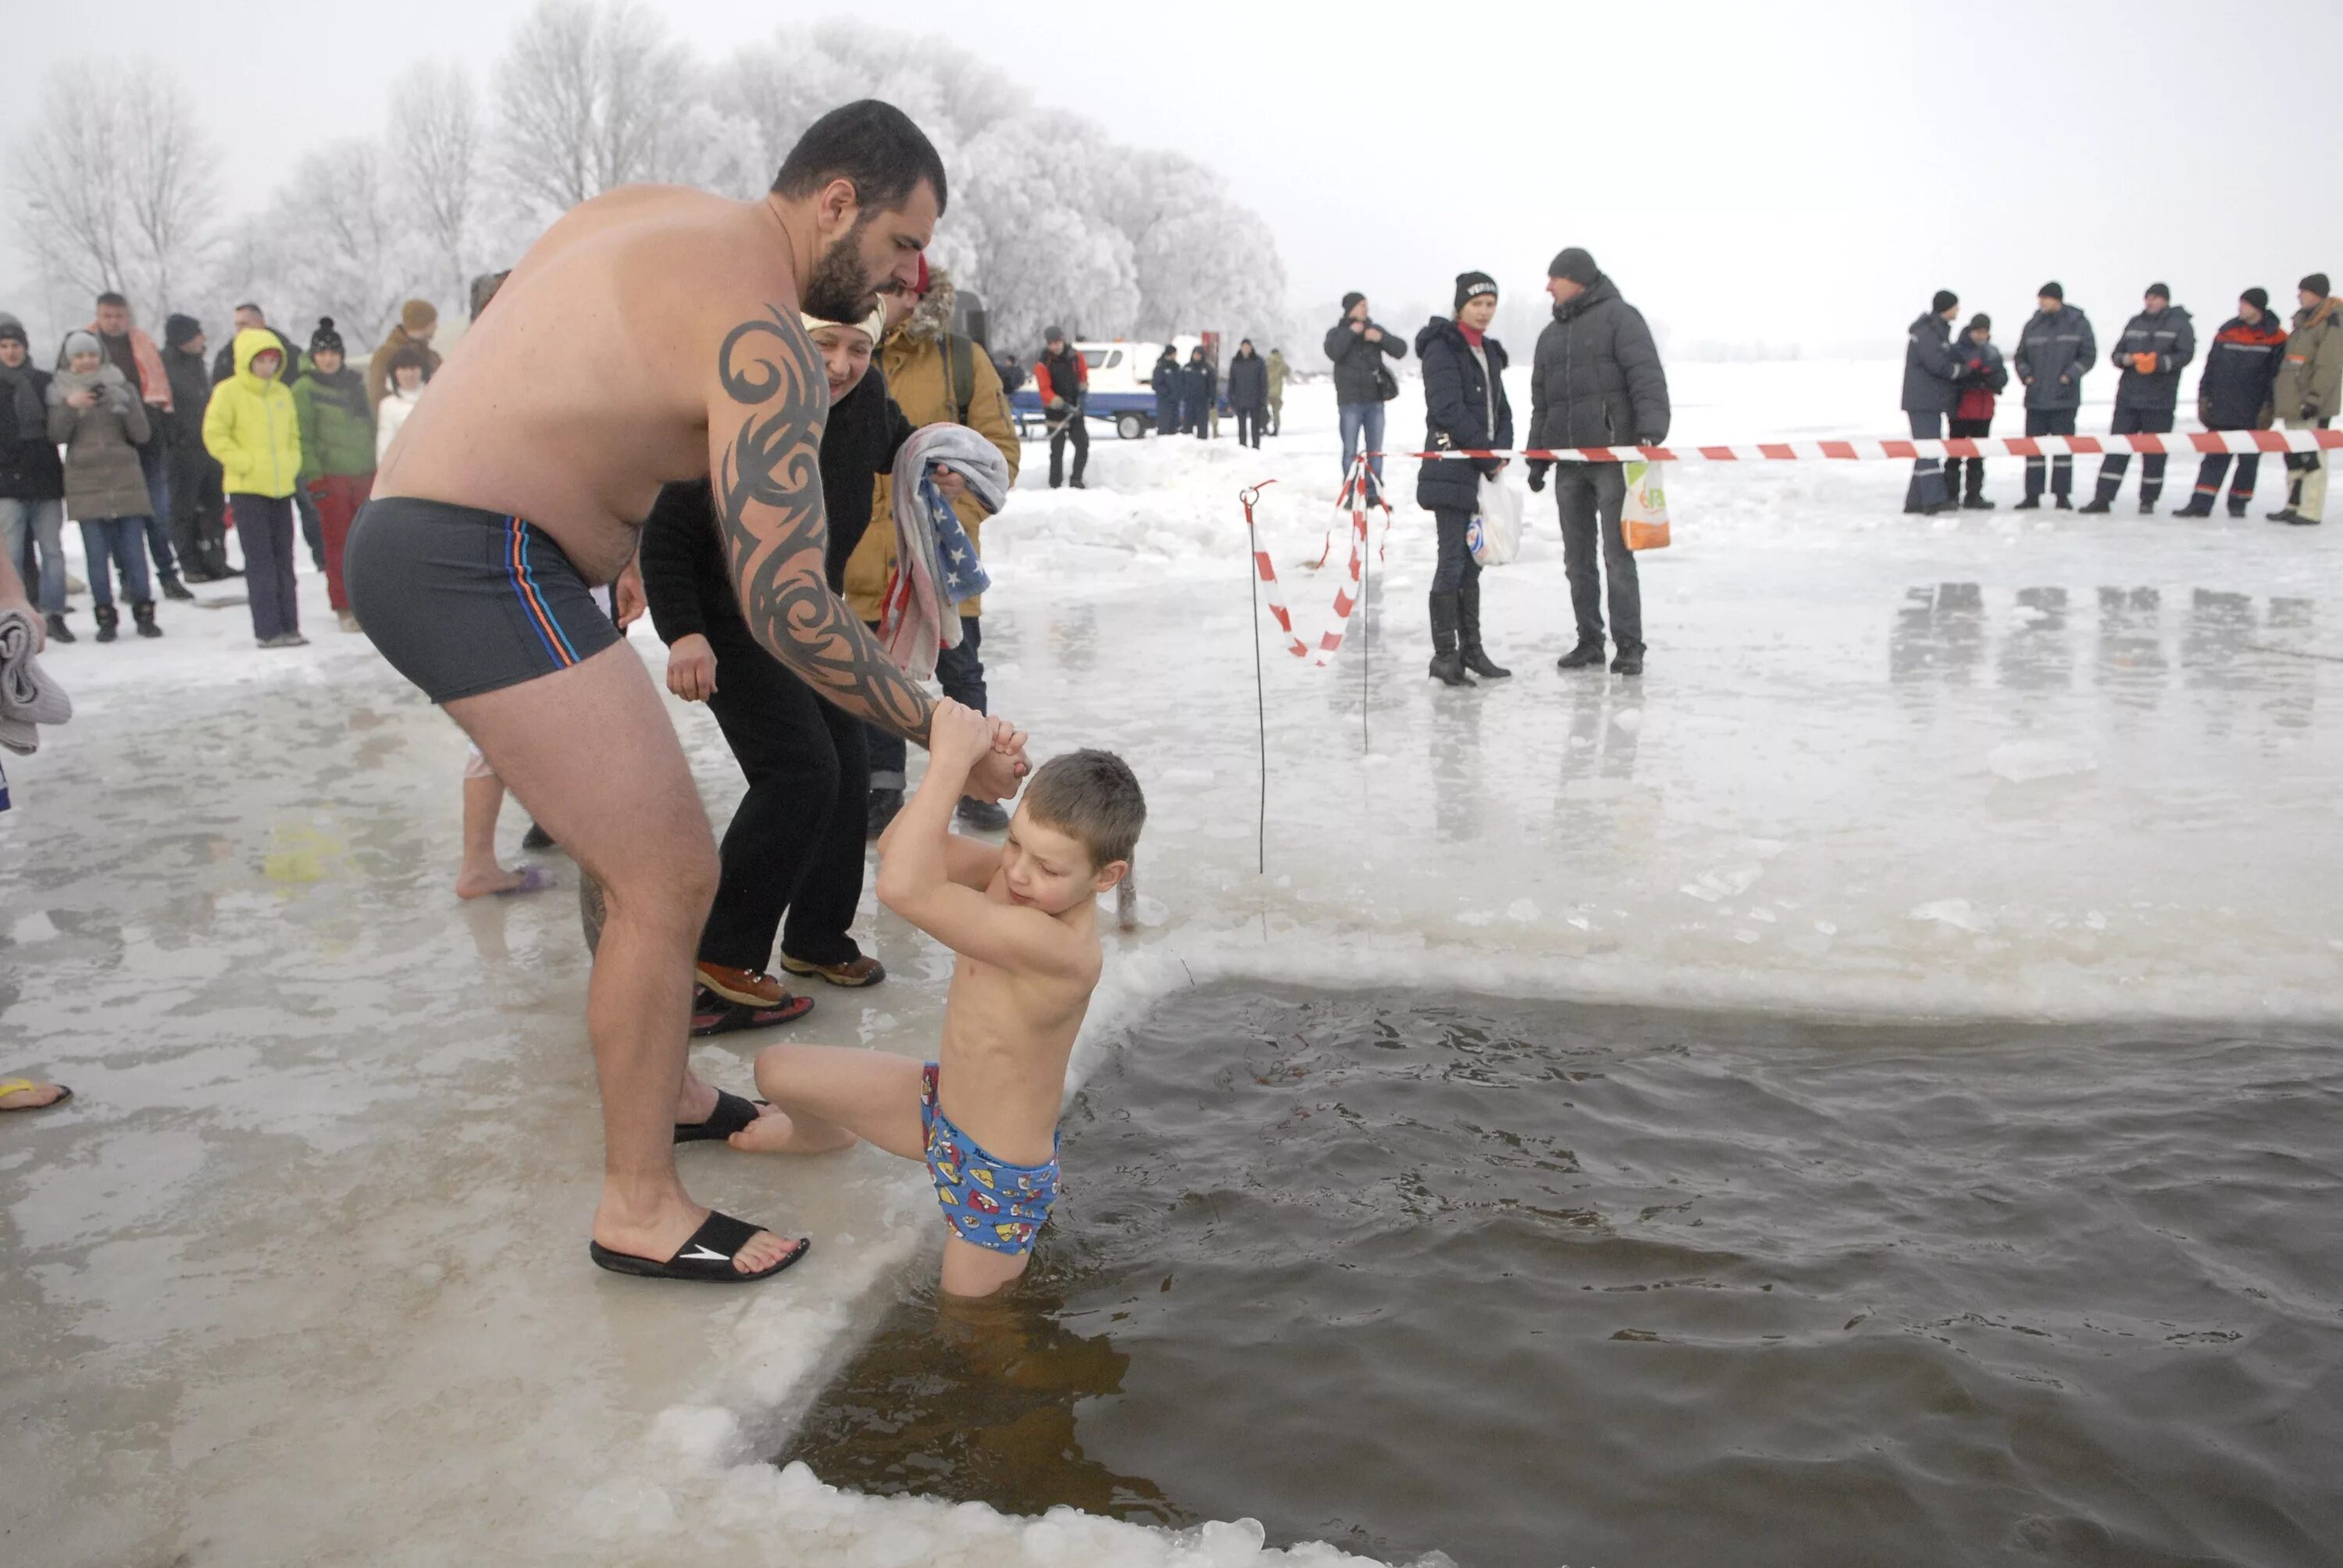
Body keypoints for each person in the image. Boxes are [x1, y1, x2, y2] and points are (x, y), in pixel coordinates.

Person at [344, 98, 1029, 1285]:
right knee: (670, 871)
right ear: (834, 203)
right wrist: (942, 724)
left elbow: (533, 353)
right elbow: (790, 607)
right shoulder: (761, 336)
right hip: (479, 555)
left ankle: (663, 1091)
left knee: (632, 855)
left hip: (458, 536)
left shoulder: (652, 214)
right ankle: (638, 1207)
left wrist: (585, 532)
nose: (910, 273)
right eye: (899, 241)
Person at [732, 721, 1142, 1299]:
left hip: (996, 1177)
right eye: (1016, 843)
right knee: (774, 1070)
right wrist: (969, 775)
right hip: (939, 1110)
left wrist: (951, 763)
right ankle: (817, 1135)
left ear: (1107, 877)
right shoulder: (1017, 879)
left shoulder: (1061, 950)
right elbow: (902, 849)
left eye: (1049, 868)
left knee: (971, 1329)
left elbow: (903, 888)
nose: (1020, 872)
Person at [644, 305, 910, 1028]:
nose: (843, 364)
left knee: (848, 771)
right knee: (799, 773)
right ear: (797, 341)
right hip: (730, 623)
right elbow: (668, 533)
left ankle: (817, 939)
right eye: (827, 343)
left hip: (807, 620)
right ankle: (720, 957)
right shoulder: (752, 408)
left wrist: (940, 458)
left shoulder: (866, 403)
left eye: (859, 347)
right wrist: (685, 634)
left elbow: (902, 442)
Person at [845, 259, 1022, 839]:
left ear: (926, 295)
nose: (895, 299)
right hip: (861, 556)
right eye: (884, 287)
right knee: (875, 679)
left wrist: (960, 502)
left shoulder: (961, 359)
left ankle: (976, 779)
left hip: (943, 561)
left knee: (961, 673)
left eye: (905, 288)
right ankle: (882, 786)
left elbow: (999, 454)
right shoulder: (846, 353)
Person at [1526, 247, 1669, 677]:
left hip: (1613, 457)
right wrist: (1538, 456)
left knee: (1617, 554)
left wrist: (1649, 432)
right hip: (1569, 463)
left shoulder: (1620, 318)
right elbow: (1542, 403)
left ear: (1577, 279)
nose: (1548, 286)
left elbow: (1646, 376)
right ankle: (1589, 641)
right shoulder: (1550, 336)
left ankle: (1629, 646)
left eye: (1555, 278)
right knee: (1577, 558)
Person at [1415, 272, 1514, 688]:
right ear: (1460, 306)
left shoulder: (1489, 351)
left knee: (1474, 564)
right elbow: (1447, 408)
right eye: (1477, 304)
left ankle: (1471, 649)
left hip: (1481, 471)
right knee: (1452, 561)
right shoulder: (1442, 348)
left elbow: (1502, 409)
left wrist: (1501, 451)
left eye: (1491, 304)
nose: (1485, 311)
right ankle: (1444, 655)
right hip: (1452, 468)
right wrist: (1486, 454)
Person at [75, 292, 190, 602]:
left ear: (128, 316)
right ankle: (128, 580)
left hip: (147, 439)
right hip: (109, 447)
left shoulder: (142, 343)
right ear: (98, 316)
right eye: (107, 316)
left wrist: (164, 426)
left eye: (119, 316)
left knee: (157, 513)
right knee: (120, 520)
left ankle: (168, 575)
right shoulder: (83, 348)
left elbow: (160, 388)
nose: (114, 322)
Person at [48, 330, 162, 641]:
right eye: (79, 356)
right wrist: (71, 407)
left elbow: (142, 435)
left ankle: (144, 613)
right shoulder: (58, 391)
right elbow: (56, 436)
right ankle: (105, 618)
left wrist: (126, 405)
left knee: (135, 554)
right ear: (69, 360)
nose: (87, 361)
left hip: (126, 480)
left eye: (91, 354)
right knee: (97, 558)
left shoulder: (121, 384)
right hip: (86, 487)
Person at [204, 329, 306, 648]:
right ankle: (267, 629)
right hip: (248, 489)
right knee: (260, 561)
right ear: (247, 361)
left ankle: (291, 625)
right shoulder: (228, 392)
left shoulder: (282, 394)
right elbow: (215, 435)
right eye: (261, 360)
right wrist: (244, 463)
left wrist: (291, 464)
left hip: (280, 487)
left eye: (272, 361)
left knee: (284, 559)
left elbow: (293, 436)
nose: (267, 367)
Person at [212, 303, 324, 570]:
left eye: (245, 324)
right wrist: (243, 462)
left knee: (308, 510)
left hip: (284, 458)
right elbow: (216, 429)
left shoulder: (288, 353)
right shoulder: (227, 360)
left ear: (260, 322)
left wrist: (292, 458)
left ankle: (322, 558)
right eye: (236, 325)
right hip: (249, 472)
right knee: (261, 554)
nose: (239, 330)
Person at [291, 318, 376, 632]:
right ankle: (343, 605)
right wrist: (315, 479)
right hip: (332, 477)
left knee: (366, 544)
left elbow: (368, 428)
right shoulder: (303, 389)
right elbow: (304, 437)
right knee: (338, 544)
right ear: (313, 356)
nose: (328, 359)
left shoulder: (354, 383)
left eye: (334, 353)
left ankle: (370, 602)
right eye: (322, 353)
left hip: (365, 473)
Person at [2082, 283, 2195, 515]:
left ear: (2165, 300)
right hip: (2128, 398)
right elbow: (2116, 354)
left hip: (2160, 400)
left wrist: (2159, 363)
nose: (2150, 303)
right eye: (2148, 298)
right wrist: (2128, 359)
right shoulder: (2135, 322)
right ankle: (2103, 497)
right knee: (2116, 448)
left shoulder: (2180, 325)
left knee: (2154, 453)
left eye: (2155, 299)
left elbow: (2185, 355)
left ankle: (2148, 499)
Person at [2177, 288, 2285, 519]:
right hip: (2223, 406)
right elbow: (2211, 367)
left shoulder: (2276, 336)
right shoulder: (2227, 332)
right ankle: (2200, 504)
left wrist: (2270, 406)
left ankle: (2238, 504)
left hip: (2253, 409)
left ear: (2258, 308)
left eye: (2245, 304)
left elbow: (2278, 376)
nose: (2240, 308)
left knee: (2248, 461)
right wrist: (2204, 395)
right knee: (2214, 457)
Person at [0, 313, 72, 643]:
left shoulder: (44, 382)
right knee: (11, 555)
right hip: (7, 485)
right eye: (4, 346)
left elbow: (57, 430)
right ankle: (16, 616)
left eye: (15, 345)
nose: (11, 352)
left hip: (44, 480)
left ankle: (54, 613)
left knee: (53, 551)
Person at [161, 314, 231, 581]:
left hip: (209, 446)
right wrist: (175, 438)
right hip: (182, 449)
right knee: (184, 508)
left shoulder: (199, 364)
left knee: (214, 506)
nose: (202, 339)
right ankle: (190, 563)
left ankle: (216, 560)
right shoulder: (165, 365)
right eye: (196, 334)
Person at [2013, 283, 2095, 510]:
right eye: (2040, 299)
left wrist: (2070, 376)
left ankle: (2061, 495)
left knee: (2063, 449)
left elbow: (2089, 356)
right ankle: (2032, 495)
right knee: (2034, 450)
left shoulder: (2078, 324)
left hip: (2064, 398)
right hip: (2036, 399)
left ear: (2057, 300)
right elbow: (2020, 357)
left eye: (2045, 299)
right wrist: (2026, 376)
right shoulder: (2033, 325)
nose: (2041, 303)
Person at [2270, 273, 2342, 526]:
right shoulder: (2304, 322)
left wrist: (2314, 399)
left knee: (2312, 458)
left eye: (2304, 291)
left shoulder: (2332, 322)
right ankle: (2293, 504)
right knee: (2294, 455)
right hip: (2293, 403)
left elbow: (2329, 366)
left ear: (2317, 294)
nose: (2299, 295)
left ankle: (2310, 509)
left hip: (2313, 405)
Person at [1325, 293, 1405, 501]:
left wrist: (1381, 339)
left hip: (1375, 402)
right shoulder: (1337, 333)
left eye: (1366, 305)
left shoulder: (1374, 330)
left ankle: (1373, 494)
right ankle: (1350, 494)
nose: (1365, 309)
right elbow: (1334, 352)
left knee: (1375, 452)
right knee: (1350, 451)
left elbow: (1401, 350)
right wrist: (1351, 333)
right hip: (1349, 402)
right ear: (1350, 308)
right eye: (1361, 305)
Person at [1901, 290, 1963, 514]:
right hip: (1923, 401)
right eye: (1956, 307)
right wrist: (1962, 371)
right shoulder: (1929, 332)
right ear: (1946, 308)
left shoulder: (1936, 331)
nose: (1958, 311)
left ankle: (1915, 500)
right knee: (1929, 449)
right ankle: (1934, 499)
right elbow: (1938, 364)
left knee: (1925, 448)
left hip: (1928, 399)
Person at [1949, 314, 2009, 510]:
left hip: (1984, 411)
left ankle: (1974, 495)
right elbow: (1955, 377)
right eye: (1978, 331)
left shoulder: (1992, 352)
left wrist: (1985, 377)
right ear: (1971, 330)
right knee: (1955, 455)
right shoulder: (1957, 350)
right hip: (1961, 410)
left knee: (1978, 456)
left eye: (1984, 332)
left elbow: (2002, 378)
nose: (1981, 335)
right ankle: (1951, 495)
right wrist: (1977, 374)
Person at [366, 298, 441, 414]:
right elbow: (377, 393)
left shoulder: (433, 357)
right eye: (433, 322)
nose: (436, 327)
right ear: (424, 323)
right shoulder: (386, 354)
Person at [1036, 326, 1088, 487]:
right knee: (1057, 450)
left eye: (1058, 342)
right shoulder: (1043, 363)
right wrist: (1061, 404)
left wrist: (1082, 396)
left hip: (1075, 407)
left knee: (1083, 444)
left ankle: (1076, 479)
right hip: (1055, 411)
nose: (1056, 346)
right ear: (1047, 344)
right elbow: (1045, 389)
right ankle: (1055, 483)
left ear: (1062, 339)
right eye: (1052, 343)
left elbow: (1082, 377)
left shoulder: (1076, 356)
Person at [375, 347, 430, 466]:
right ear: (395, 373)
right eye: (404, 369)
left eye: (413, 368)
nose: (409, 374)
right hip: (404, 470)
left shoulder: (435, 399)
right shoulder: (388, 406)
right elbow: (385, 445)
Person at [1226, 338, 1268, 449]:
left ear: (1251, 348)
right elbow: (1231, 382)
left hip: (1255, 399)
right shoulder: (1236, 362)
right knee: (1241, 427)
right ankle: (1242, 447)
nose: (1245, 349)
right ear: (1241, 347)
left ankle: (1256, 447)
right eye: (1243, 346)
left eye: (1247, 346)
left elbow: (1263, 382)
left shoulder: (1258, 362)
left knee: (1255, 426)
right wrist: (1231, 399)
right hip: (1240, 399)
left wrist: (1263, 399)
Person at [1182, 344, 1215, 441]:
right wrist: (1184, 395)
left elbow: (1212, 385)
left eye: (1198, 354)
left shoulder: (1208, 369)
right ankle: (1187, 444)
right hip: (1189, 401)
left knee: (1202, 426)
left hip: (1202, 402)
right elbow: (1181, 383)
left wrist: (1212, 400)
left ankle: (1202, 444)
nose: (1196, 356)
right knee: (1187, 426)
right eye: (1195, 354)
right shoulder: (1186, 368)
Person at [1150, 344, 1182, 437]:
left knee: (1174, 426)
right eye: (1174, 353)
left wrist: (1179, 393)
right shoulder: (1161, 367)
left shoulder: (1176, 366)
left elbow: (1180, 381)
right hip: (1164, 401)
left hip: (1175, 401)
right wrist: (1167, 392)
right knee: (1164, 425)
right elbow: (1156, 384)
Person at [1265, 347, 1290, 437]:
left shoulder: (1267, 362)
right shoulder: (1282, 363)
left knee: (1263, 409)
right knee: (1276, 412)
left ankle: (1265, 425)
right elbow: (1287, 372)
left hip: (1267, 390)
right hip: (1277, 391)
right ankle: (1276, 428)